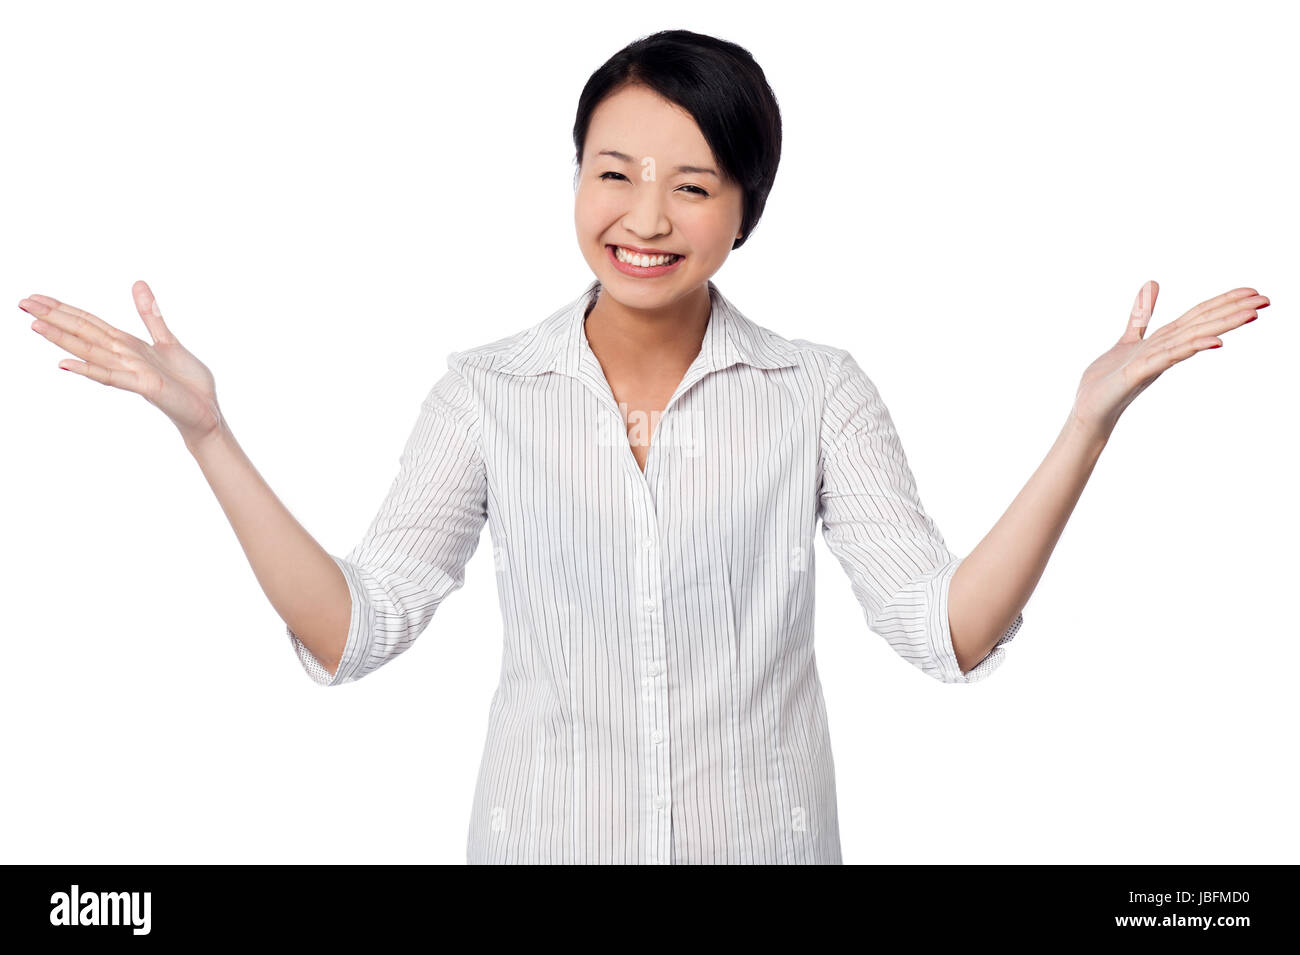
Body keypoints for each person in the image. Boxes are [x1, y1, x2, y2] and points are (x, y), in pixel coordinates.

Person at [16, 29, 1269, 865]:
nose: (645, 217)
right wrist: (207, 431)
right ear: (574, 180)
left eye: (693, 183)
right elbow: (355, 632)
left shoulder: (816, 392)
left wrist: (1086, 420)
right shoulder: (487, 392)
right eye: (612, 173)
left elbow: (946, 631)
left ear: (743, 212)